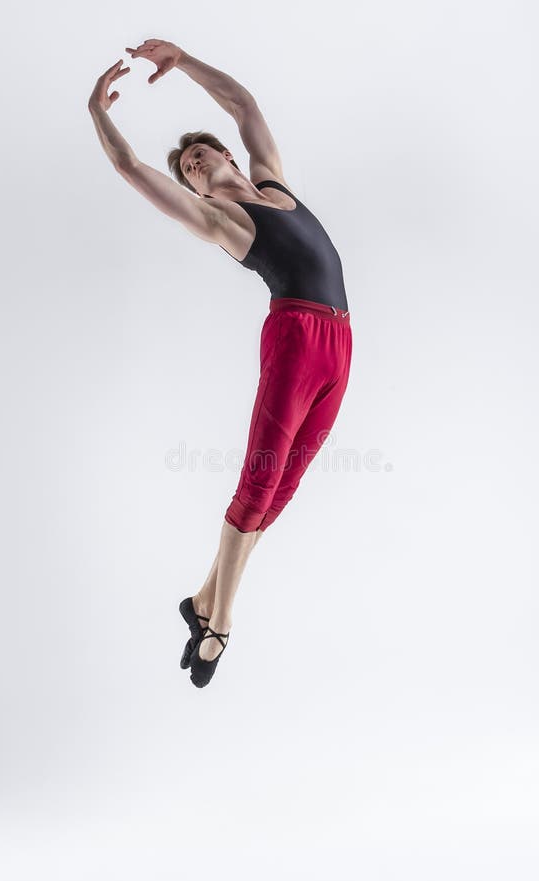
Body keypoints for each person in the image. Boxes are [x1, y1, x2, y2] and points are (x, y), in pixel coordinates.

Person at [88, 40, 353, 688]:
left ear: (227, 155)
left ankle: (203, 599)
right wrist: (100, 112)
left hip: (342, 345)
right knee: (260, 483)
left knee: (283, 492)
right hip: (294, 337)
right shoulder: (222, 219)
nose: (195, 163)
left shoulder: (271, 178)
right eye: (188, 168)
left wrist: (182, 61)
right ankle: (219, 626)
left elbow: (242, 103)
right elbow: (129, 166)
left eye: (200, 154)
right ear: (197, 189)